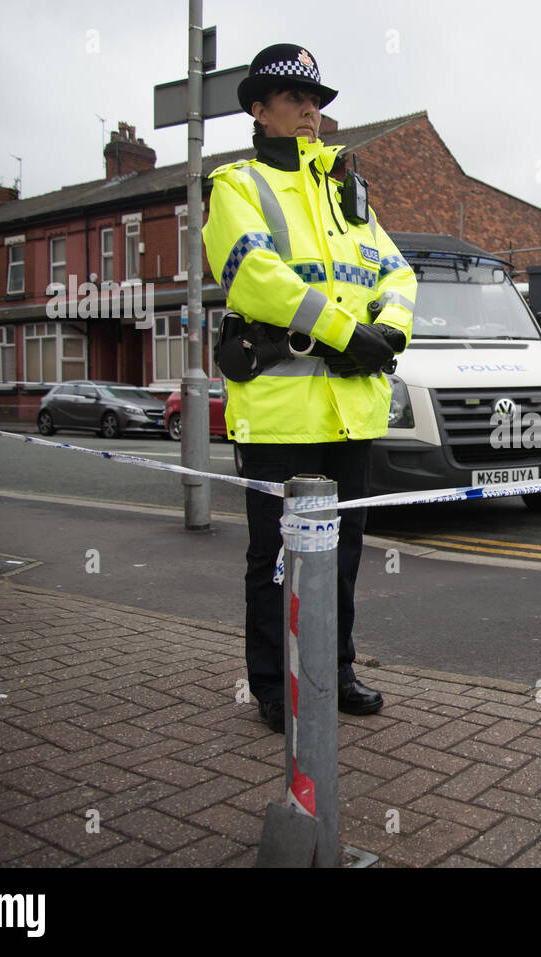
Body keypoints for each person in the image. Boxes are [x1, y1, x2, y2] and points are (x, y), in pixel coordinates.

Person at [202, 44, 416, 732]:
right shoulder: (237, 186)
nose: (309, 112)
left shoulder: (347, 193)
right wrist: (344, 333)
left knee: (343, 551)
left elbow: (397, 274)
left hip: (350, 409)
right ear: (258, 111)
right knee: (275, 558)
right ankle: (272, 683)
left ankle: (336, 667)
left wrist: (391, 332)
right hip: (279, 409)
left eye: (315, 101)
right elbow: (256, 276)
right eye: (294, 100)